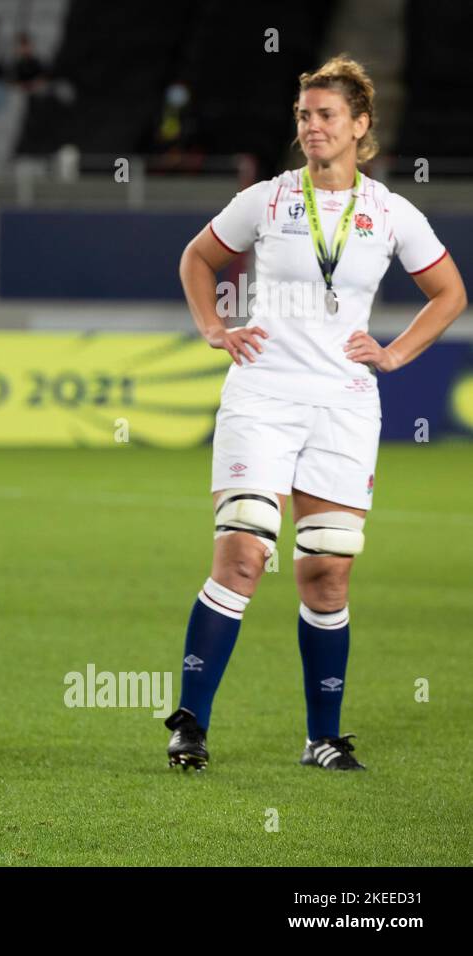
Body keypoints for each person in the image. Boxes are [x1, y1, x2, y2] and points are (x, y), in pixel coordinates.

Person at [165, 55, 466, 772]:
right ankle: (191, 724)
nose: (312, 127)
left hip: (343, 405)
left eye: (327, 115)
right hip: (262, 394)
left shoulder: (392, 212)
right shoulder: (267, 200)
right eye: (304, 115)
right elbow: (197, 259)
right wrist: (213, 327)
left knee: (327, 570)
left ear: (361, 125)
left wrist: (394, 354)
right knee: (245, 550)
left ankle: (322, 738)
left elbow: (449, 293)